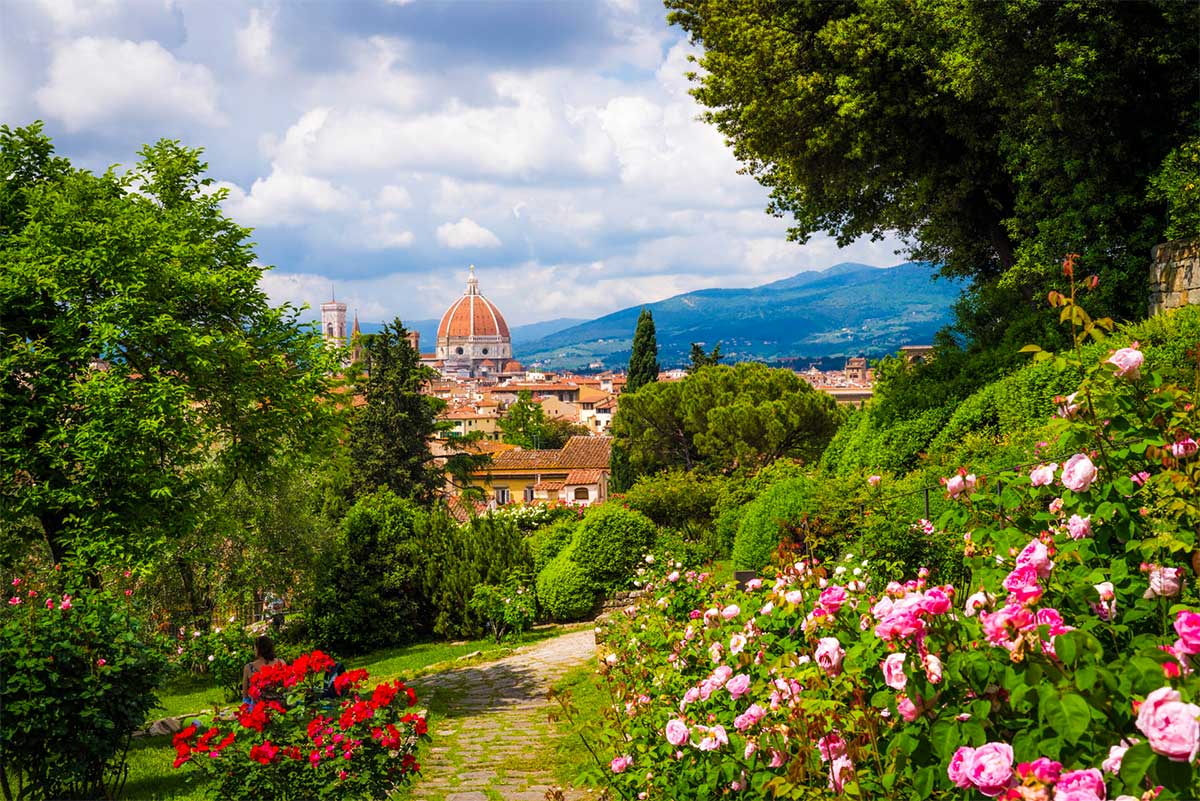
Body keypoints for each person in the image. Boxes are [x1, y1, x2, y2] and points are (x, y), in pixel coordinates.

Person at [241, 634, 285, 707]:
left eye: (255, 648)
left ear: (259, 649)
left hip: (259, 710)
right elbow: (289, 688)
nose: (254, 650)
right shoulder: (281, 663)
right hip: (281, 707)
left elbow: (245, 696)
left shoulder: (249, 668)